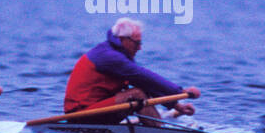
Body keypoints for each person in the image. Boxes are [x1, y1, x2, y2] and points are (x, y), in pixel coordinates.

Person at [64, 18, 200, 123]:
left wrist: (177, 106)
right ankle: (159, 129)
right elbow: (144, 76)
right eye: (137, 43)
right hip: (80, 114)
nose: (139, 48)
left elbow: (146, 84)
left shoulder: (116, 53)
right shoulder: (109, 56)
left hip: (96, 109)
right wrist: (180, 91)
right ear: (123, 39)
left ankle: (156, 124)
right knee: (136, 94)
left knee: (141, 90)